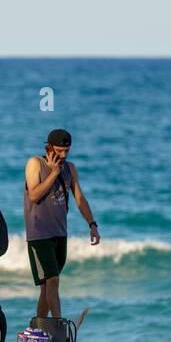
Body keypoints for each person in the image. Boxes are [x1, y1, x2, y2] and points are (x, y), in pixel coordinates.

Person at [24, 128, 99, 319]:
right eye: (59, 151)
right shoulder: (35, 164)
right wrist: (53, 172)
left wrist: (92, 224)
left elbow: (80, 198)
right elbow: (33, 195)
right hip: (39, 235)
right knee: (53, 280)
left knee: (47, 287)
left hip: (60, 235)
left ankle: (39, 329)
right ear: (49, 148)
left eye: (67, 151)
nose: (63, 155)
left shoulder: (70, 168)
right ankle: (58, 328)